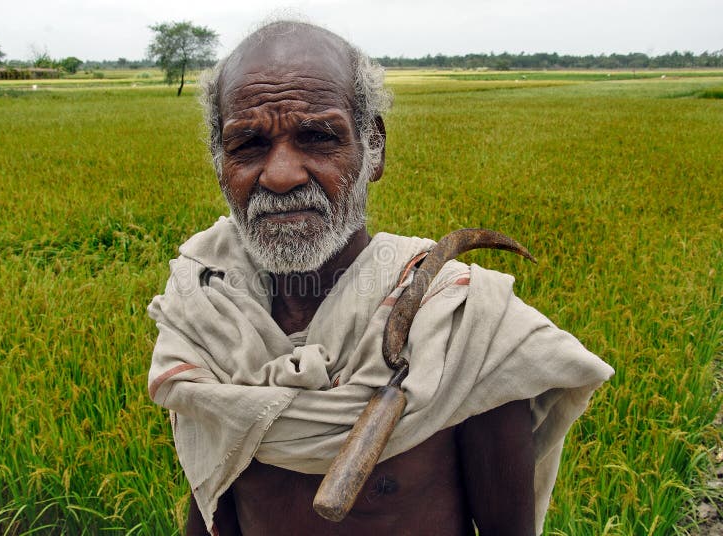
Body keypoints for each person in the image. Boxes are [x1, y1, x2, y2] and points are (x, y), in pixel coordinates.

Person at [148, 20, 613, 536]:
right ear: (219, 164)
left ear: (374, 148)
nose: (280, 175)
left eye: (318, 137)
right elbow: (211, 501)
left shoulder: (463, 330)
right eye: (248, 144)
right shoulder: (204, 316)